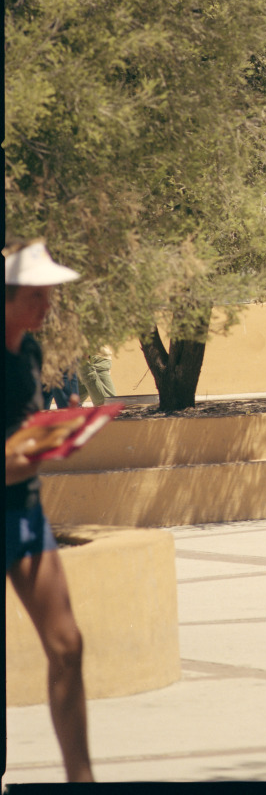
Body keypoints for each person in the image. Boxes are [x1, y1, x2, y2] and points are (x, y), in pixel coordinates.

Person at [5, 238, 95, 783]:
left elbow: (24, 435)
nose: (48, 304)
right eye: (38, 295)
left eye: (51, 294)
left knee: (67, 646)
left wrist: (55, 438)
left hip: (23, 511)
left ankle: (81, 781)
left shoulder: (32, 353)